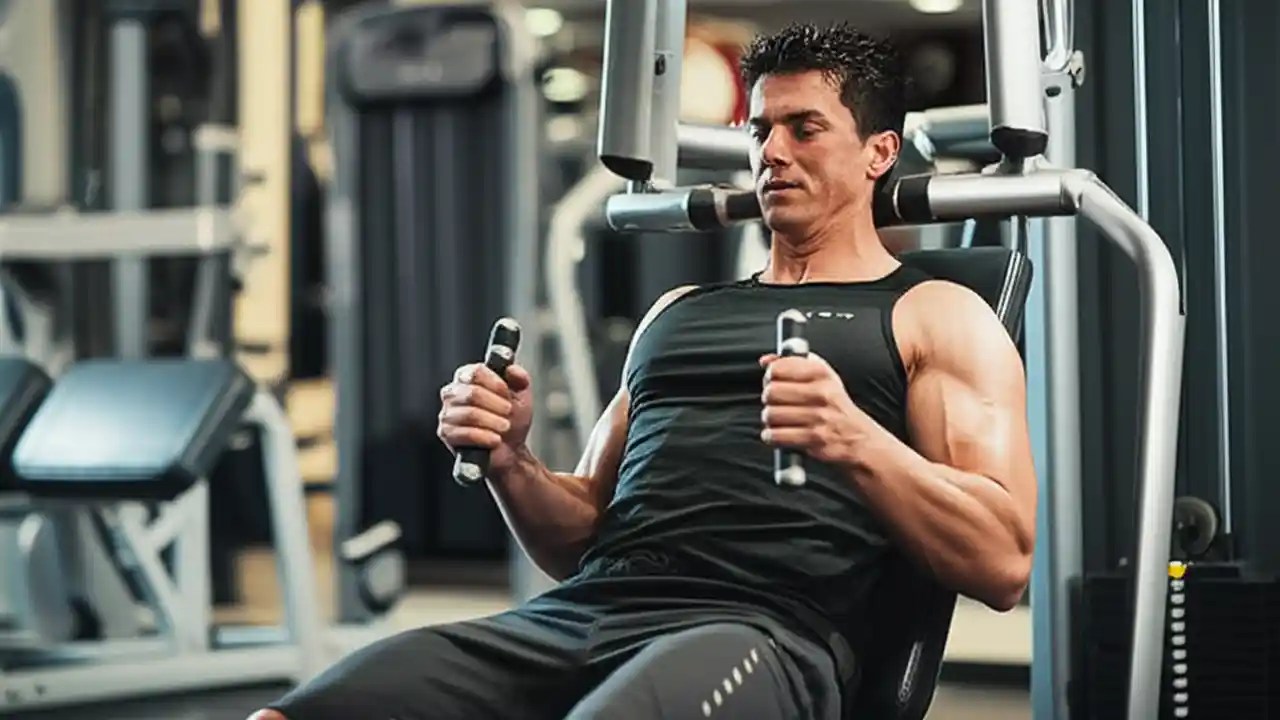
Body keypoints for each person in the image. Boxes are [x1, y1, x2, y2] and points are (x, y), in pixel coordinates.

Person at [251, 21, 1036, 720]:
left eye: (804, 128)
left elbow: (1002, 560)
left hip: (763, 631)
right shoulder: (678, 311)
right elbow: (581, 538)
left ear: (879, 153)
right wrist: (510, 460)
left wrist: (856, 441)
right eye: (760, 128)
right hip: (587, 615)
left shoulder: (931, 312)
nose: (770, 152)